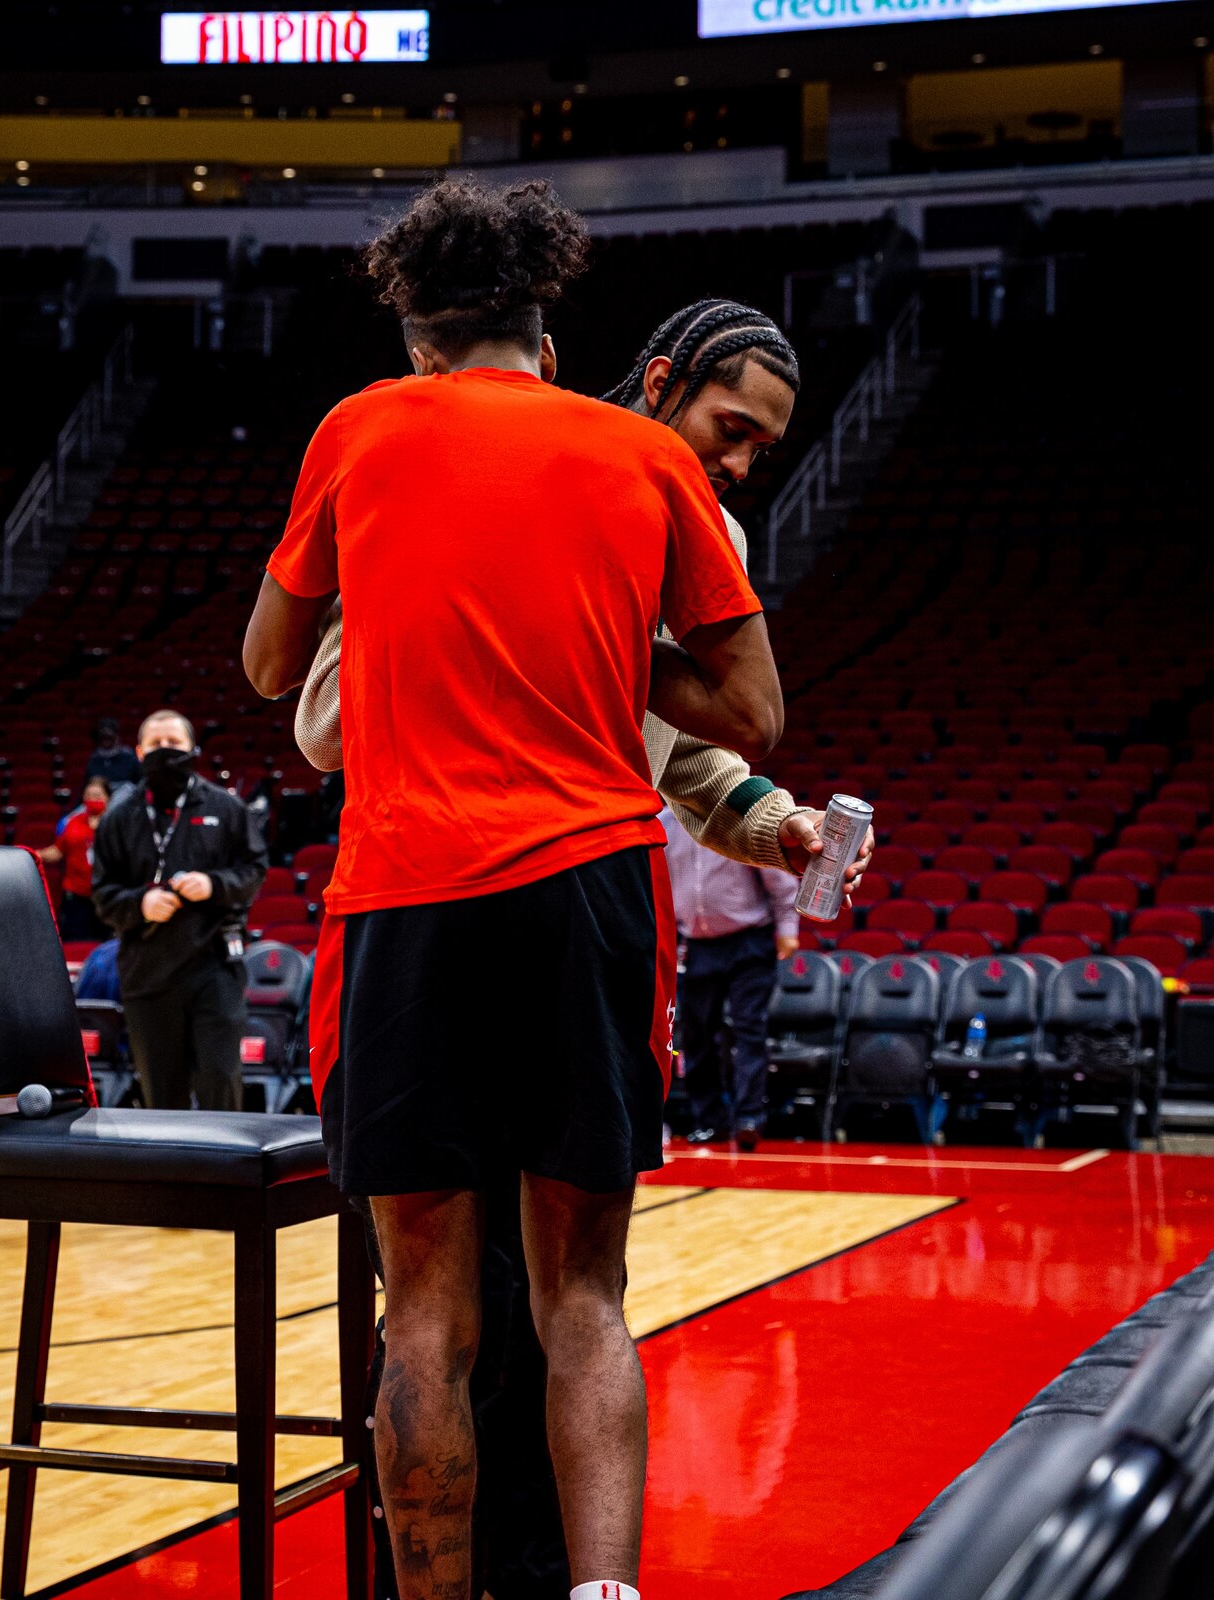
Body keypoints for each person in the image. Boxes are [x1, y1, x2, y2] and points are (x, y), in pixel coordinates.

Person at [243, 178, 783, 1600]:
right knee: (583, 1297)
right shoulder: (637, 456)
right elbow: (752, 710)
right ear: (549, 331)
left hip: (407, 891)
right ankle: (604, 1598)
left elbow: (262, 668)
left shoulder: (359, 429)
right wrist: (601, 652)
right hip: (588, 889)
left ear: (421, 338)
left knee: (421, 1308)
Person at [90, 709, 268, 1110]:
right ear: (138, 752)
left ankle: (224, 1172)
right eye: (155, 744)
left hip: (214, 965)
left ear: (192, 750)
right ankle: (169, 1174)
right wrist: (140, 904)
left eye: (174, 743)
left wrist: (213, 884)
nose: (164, 751)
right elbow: (102, 894)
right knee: (160, 1095)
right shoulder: (119, 817)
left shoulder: (227, 809)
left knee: (219, 1082)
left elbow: (254, 871)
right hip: (147, 969)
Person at [662, 805, 798, 1149]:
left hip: (748, 938)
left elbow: (780, 881)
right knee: (695, 1034)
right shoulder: (662, 823)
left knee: (748, 1028)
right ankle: (710, 1120)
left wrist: (787, 928)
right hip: (694, 942)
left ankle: (749, 1117)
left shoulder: (737, 818)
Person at [37, 776, 113, 941]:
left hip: (106, 894)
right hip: (76, 894)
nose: (93, 800)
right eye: (89, 796)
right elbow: (58, 851)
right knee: (77, 942)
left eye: (98, 796)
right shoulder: (72, 822)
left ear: (108, 798)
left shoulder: (116, 823)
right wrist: (36, 855)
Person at [84, 717, 141, 793]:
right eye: (103, 738)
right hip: (101, 801)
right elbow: (87, 788)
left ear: (117, 736)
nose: (106, 741)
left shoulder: (129, 758)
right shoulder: (94, 760)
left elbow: (139, 785)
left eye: (109, 738)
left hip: (128, 801)